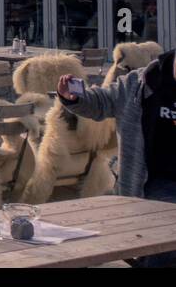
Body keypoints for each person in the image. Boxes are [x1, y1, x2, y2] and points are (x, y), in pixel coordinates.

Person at [57, 47, 176, 266]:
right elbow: (101, 102)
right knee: (167, 237)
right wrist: (74, 97)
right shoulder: (140, 84)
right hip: (154, 184)